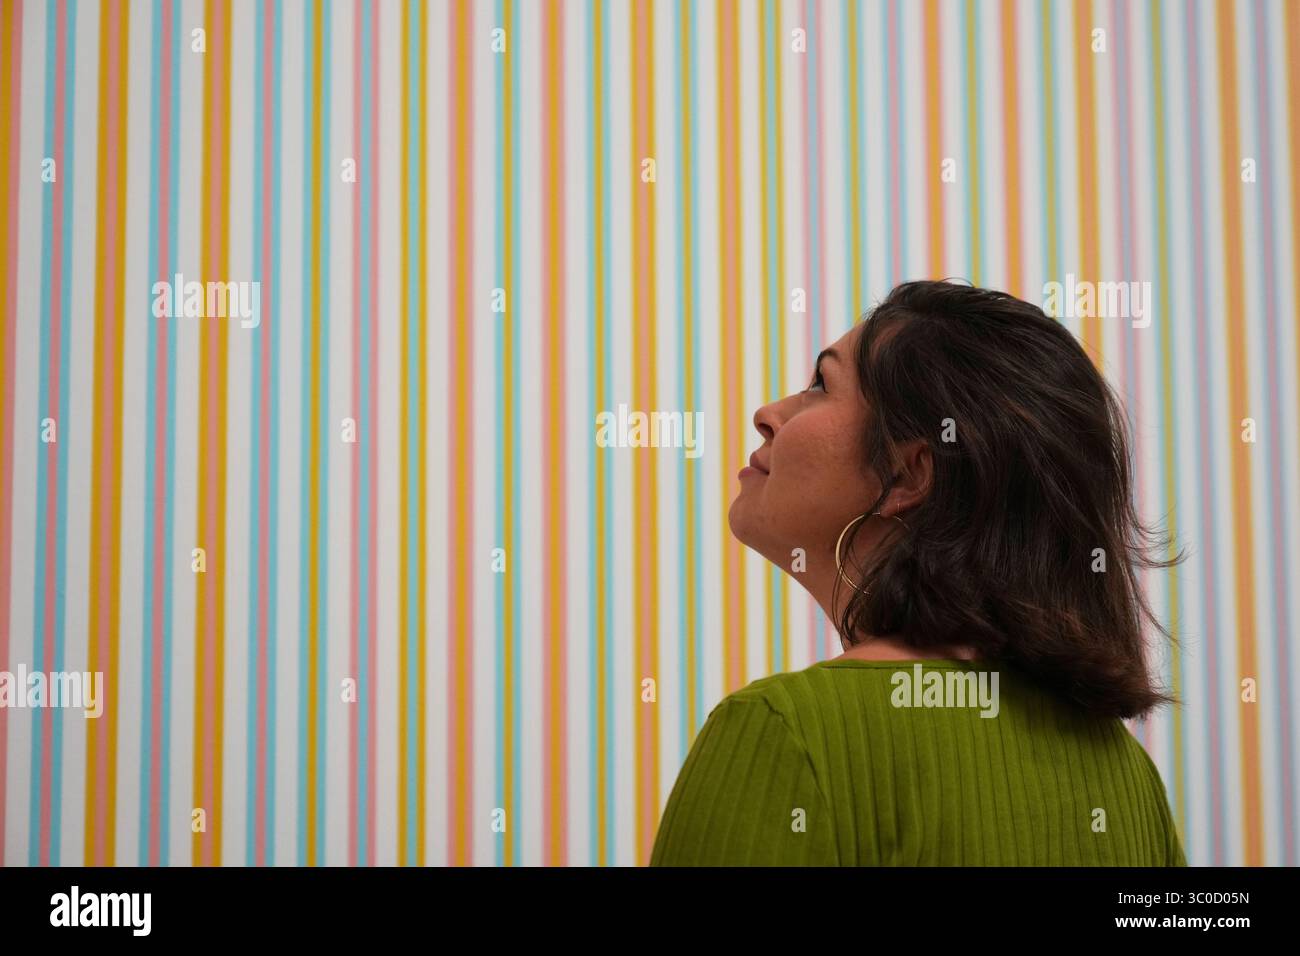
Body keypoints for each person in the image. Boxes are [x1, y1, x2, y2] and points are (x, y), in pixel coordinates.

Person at [650, 279, 1188, 866]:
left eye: (819, 385)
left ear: (908, 476)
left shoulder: (784, 733)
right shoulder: (1128, 777)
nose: (767, 414)